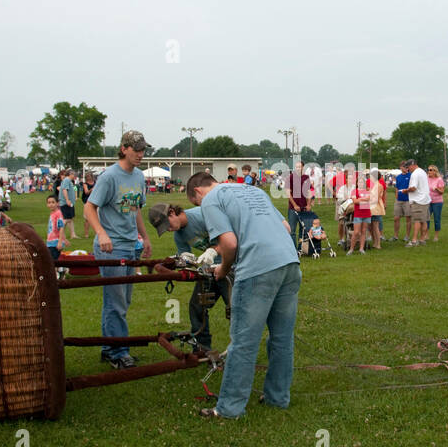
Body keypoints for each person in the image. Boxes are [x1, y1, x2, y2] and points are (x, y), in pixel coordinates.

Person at [185, 171, 301, 419]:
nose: (199, 208)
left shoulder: (210, 199)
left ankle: (229, 409)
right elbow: (286, 225)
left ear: (197, 192)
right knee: (281, 338)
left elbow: (229, 244)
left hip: (258, 269)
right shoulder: (254, 190)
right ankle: (277, 398)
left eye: (196, 204)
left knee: (244, 341)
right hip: (290, 263)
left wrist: (223, 269)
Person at [85, 131, 152, 369]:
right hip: (111, 248)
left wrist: (144, 237)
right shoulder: (109, 177)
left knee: (121, 300)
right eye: (136, 149)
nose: (141, 154)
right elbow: (89, 208)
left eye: (143, 150)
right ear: (124, 148)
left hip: (130, 246)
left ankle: (109, 347)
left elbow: (136, 210)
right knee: (116, 302)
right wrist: (102, 234)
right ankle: (119, 351)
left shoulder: (139, 177)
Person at [149, 202, 232, 354]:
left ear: (172, 212)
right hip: (209, 271)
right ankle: (201, 349)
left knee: (235, 309)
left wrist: (213, 252)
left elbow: (231, 238)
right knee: (197, 307)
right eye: (164, 229)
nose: (168, 229)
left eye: (167, 225)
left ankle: (239, 348)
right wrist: (185, 260)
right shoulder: (179, 236)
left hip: (231, 266)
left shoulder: (203, 215)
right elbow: (186, 257)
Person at [404, 158, 431, 246]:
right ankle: (422, 239)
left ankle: (414, 240)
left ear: (413, 165)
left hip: (418, 200)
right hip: (425, 199)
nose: (408, 169)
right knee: (424, 221)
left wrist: (406, 190)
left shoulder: (415, 174)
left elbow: (413, 188)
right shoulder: (422, 171)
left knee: (417, 220)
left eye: (408, 167)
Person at [286, 162, 312, 248]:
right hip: (293, 209)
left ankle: (301, 249)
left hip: (304, 207)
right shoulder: (290, 177)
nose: (298, 168)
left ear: (303, 167)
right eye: (296, 167)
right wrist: (295, 205)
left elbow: (308, 192)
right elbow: (288, 193)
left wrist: (308, 205)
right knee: (292, 230)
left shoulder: (306, 178)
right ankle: (293, 249)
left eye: (300, 167)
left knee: (303, 229)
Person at [347, 170, 372, 255]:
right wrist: (363, 200)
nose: (361, 183)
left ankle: (361, 248)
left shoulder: (367, 190)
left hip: (366, 213)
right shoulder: (354, 191)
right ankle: (351, 249)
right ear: (357, 183)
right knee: (356, 232)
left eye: (362, 182)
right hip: (358, 213)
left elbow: (369, 199)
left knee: (364, 231)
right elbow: (355, 201)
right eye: (359, 182)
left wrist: (360, 199)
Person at [368, 167, 387, 248]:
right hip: (371, 207)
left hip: (375, 207)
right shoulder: (373, 185)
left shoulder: (379, 185)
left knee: (375, 226)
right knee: (370, 226)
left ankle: (378, 243)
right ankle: (374, 242)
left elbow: (376, 198)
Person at [393, 161, 411, 243]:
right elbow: (397, 187)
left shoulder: (411, 175)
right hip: (399, 200)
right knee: (396, 218)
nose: (404, 167)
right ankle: (395, 236)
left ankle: (407, 236)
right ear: (400, 167)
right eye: (403, 166)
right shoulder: (398, 177)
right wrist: (396, 196)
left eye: (406, 166)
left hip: (407, 200)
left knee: (408, 218)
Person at [45, 194, 67, 263]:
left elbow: (61, 227)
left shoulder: (58, 214)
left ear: (57, 203)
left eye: (53, 202)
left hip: (55, 243)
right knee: (51, 259)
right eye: (49, 202)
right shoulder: (52, 213)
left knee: (53, 261)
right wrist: (65, 239)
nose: (51, 204)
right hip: (50, 242)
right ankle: (60, 270)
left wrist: (60, 242)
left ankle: (58, 272)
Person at [58, 169, 78, 241]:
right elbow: (64, 190)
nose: (74, 175)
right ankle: (60, 234)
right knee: (66, 219)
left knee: (70, 219)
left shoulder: (69, 181)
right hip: (66, 203)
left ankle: (73, 234)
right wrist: (67, 200)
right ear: (70, 174)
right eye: (73, 174)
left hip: (70, 203)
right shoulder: (66, 180)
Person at [426, 165, 445, 242]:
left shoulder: (439, 179)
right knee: (426, 218)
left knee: (436, 219)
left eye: (430, 170)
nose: (429, 171)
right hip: (428, 202)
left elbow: (442, 192)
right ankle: (426, 235)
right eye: (428, 170)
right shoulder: (427, 179)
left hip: (437, 202)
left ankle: (436, 236)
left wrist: (437, 189)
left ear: (435, 171)